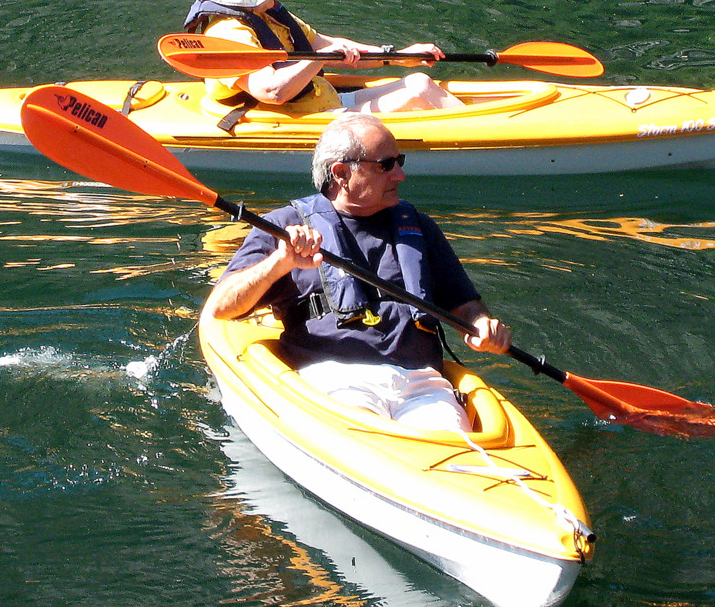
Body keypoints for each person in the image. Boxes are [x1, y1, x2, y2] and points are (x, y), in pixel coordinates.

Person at [201, 113, 510, 433]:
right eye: (386, 165)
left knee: (451, 442)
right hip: (335, 377)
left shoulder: (418, 227)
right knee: (372, 433)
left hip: (422, 383)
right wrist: (280, 263)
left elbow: (464, 305)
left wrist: (482, 324)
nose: (400, 175)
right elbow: (222, 307)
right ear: (341, 173)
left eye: (399, 161)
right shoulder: (284, 225)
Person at [184, 0, 464, 117]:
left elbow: (329, 46)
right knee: (412, 99)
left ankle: (463, 124)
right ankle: (470, 137)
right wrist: (317, 59)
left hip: (323, 100)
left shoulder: (266, 12)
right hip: (301, 120)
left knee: (420, 83)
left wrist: (398, 57)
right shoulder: (228, 32)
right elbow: (271, 91)